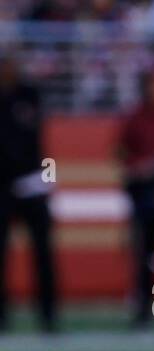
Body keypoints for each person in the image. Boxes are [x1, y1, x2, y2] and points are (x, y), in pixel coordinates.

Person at [0, 51, 58, 333]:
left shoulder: (29, 95)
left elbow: (33, 138)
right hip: (3, 185)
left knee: (43, 252)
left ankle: (48, 315)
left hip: (31, 183)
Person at [119, 67, 154, 328]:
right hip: (144, 194)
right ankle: (143, 307)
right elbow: (120, 153)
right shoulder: (135, 118)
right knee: (144, 251)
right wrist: (141, 168)